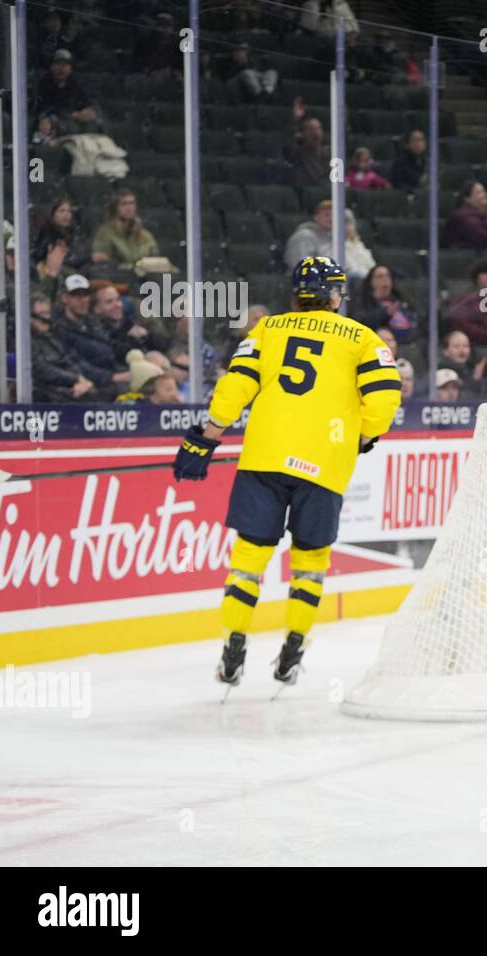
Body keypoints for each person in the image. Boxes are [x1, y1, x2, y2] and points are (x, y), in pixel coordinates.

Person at [173, 256, 401, 688]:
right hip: (324, 466)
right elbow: (386, 398)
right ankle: (292, 652)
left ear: (297, 294)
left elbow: (235, 384)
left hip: (265, 458)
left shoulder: (269, 329)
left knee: (247, 561)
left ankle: (234, 647)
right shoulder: (362, 338)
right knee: (310, 564)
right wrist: (361, 438)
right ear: (334, 295)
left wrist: (207, 436)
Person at [90, 190, 163, 271]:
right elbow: (100, 260)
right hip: (120, 277)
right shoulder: (105, 232)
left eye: (132, 203)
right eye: (124, 204)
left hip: (146, 276)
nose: (129, 208)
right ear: (115, 208)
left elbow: (156, 259)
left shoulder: (145, 234)